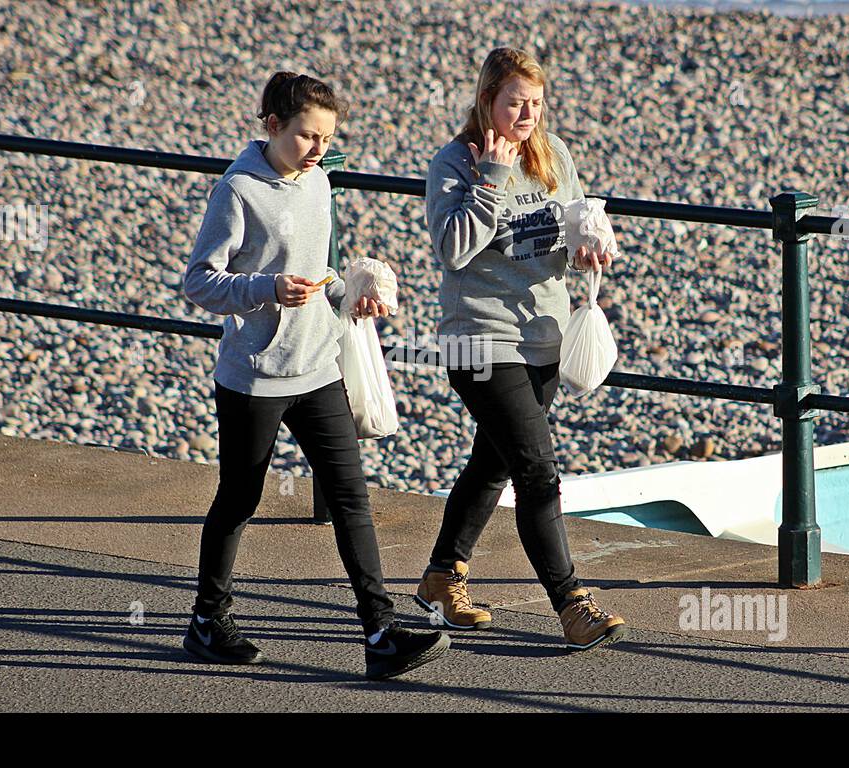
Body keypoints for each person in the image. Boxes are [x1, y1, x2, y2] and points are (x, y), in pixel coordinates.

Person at [181, 71, 450, 679]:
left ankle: (380, 633)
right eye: (307, 136)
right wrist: (265, 287)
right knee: (240, 497)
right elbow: (199, 281)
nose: (319, 149)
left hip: (319, 364)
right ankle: (207, 619)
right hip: (255, 375)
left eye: (327, 138)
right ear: (272, 125)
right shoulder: (238, 190)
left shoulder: (321, 181)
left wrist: (352, 293)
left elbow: (319, 274)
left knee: (352, 495)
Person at [415, 48, 628, 650]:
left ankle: (441, 576)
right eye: (515, 101)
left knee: (494, 462)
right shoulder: (455, 163)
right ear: (487, 101)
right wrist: (492, 179)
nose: (527, 112)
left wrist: (588, 248)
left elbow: (575, 226)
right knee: (538, 470)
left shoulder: (554, 153)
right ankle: (571, 605)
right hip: (479, 341)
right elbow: (453, 249)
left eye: (535, 101)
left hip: (544, 337)